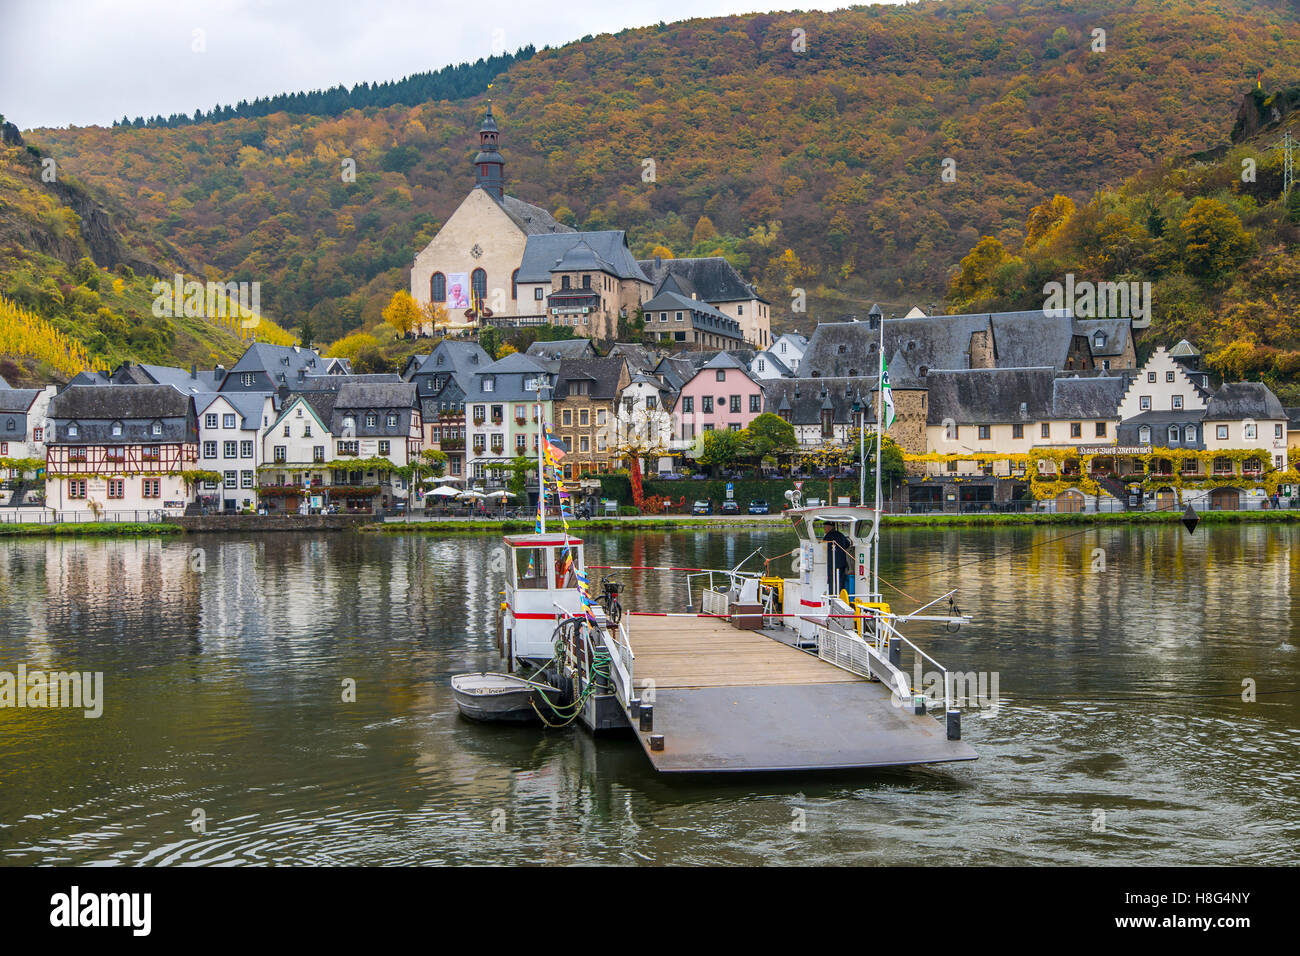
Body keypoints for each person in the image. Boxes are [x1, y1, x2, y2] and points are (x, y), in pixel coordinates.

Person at [823, 524, 853, 599]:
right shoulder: (841, 535)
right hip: (842, 563)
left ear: (829, 527)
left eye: (825, 527)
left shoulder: (828, 537)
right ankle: (841, 597)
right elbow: (848, 544)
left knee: (832, 582)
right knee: (840, 582)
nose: (824, 529)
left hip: (831, 563)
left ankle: (832, 598)